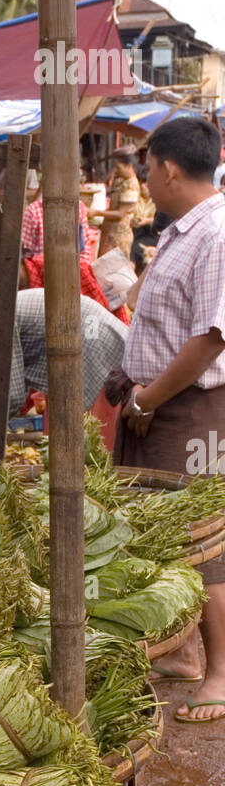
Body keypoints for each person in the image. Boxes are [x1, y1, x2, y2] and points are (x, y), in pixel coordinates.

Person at [112, 117, 225, 722]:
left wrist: (149, 398)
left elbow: (212, 339)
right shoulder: (182, 230)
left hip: (187, 408)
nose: (145, 177)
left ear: (171, 168)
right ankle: (182, 656)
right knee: (156, 535)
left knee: (202, 539)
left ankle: (220, 674)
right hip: (157, 402)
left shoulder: (217, 232)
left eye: (148, 166)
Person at [0, 261, 128, 431]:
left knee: (94, 438)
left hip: (95, 343)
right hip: (88, 339)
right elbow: (15, 383)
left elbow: (14, 397)